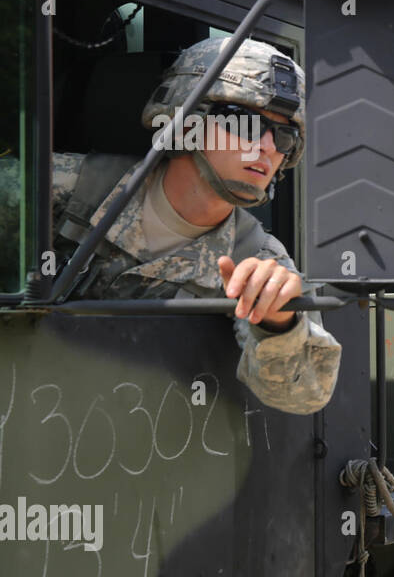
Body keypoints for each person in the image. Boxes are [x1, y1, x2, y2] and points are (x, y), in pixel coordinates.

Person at [1, 37, 340, 415]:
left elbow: (305, 394)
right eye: (245, 124)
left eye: (284, 136)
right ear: (186, 121)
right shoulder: (62, 188)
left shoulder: (256, 261)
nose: (266, 146)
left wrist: (279, 323)